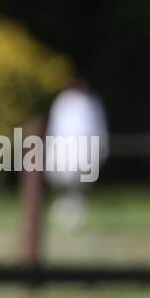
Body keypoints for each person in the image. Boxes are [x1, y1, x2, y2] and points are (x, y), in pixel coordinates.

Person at [45, 74, 108, 232]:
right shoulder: (62, 101)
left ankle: (73, 212)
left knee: (76, 185)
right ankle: (68, 211)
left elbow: (95, 128)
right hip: (63, 151)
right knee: (66, 184)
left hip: (82, 151)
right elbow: (55, 129)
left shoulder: (90, 102)